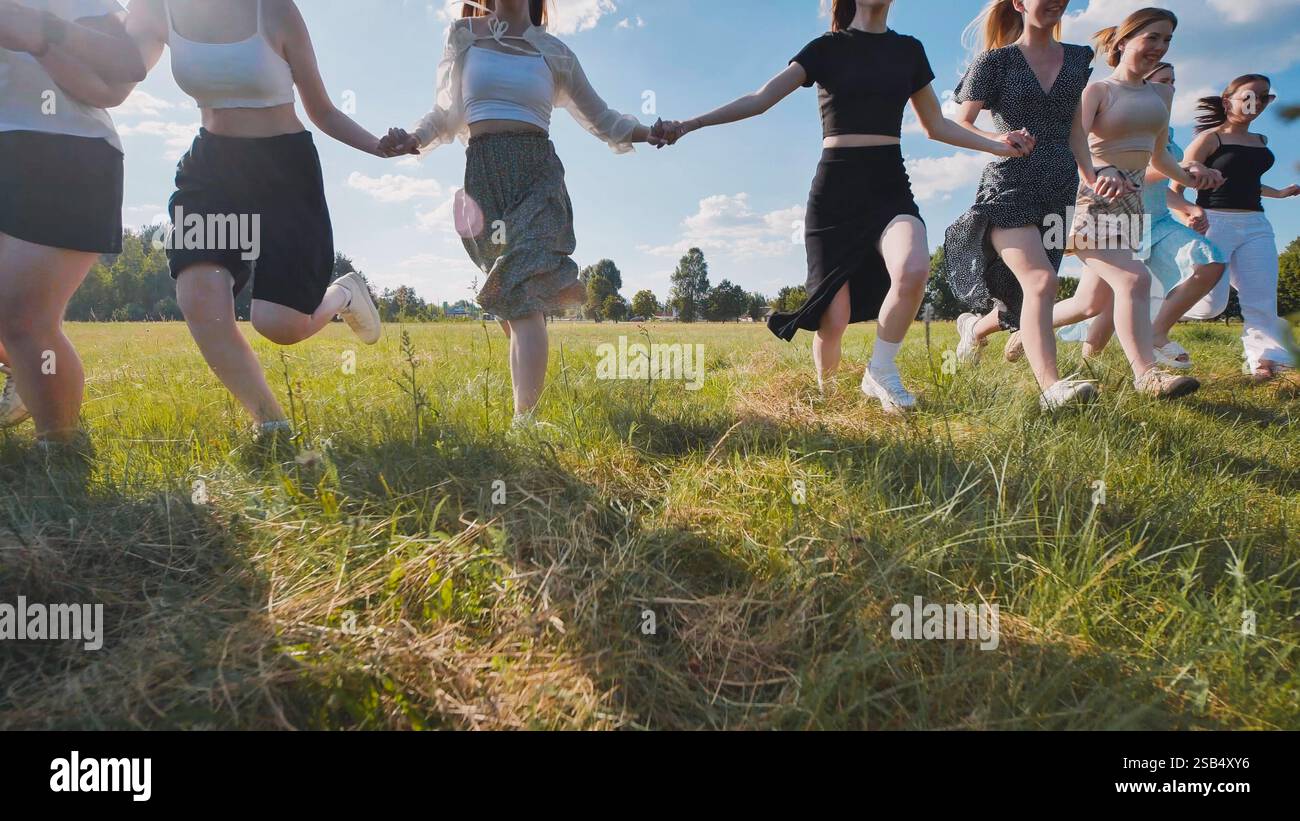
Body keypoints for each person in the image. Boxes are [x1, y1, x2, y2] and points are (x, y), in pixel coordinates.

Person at [657, 0, 1029, 414]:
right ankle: (826, 399)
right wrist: (689, 125)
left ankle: (881, 372)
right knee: (833, 319)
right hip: (834, 193)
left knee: (913, 266)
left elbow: (935, 125)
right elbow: (760, 99)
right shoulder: (825, 48)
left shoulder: (909, 50)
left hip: (888, 184)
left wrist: (997, 145)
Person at [120, 0, 405, 439]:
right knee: (199, 296)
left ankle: (343, 294)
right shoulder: (160, 9)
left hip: (284, 171)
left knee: (279, 325)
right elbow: (121, 70)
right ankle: (271, 423)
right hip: (213, 171)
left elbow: (322, 110)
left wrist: (378, 146)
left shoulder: (274, 11)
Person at [382, 0, 668, 424]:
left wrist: (649, 132)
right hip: (485, 179)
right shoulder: (462, 36)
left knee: (523, 297)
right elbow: (445, 115)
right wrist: (413, 138)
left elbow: (602, 118)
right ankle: (527, 395)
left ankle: (525, 422)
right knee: (514, 299)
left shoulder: (554, 52)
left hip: (538, 177)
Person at [1049, 8, 1218, 400]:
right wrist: (1100, 170)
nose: (1159, 47)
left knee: (1091, 302)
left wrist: (1191, 177)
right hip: (1091, 198)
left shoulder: (1161, 95)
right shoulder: (1098, 91)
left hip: (1131, 206)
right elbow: (1073, 142)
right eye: (1152, 37)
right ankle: (1148, 375)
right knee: (1134, 279)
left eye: (1167, 41)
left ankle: (1026, 330)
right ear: (1123, 41)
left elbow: (1160, 158)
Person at [0, 0, 146, 447]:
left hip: (65, 151)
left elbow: (121, 76)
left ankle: (61, 449)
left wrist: (41, 36)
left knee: (23, 318)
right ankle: (26, 374)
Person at [946, 0, 1104, 410]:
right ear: (1019, 3)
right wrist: (998, 141)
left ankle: (974, 330)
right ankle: (1053, 389)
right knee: (1041, 284)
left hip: (1060, 187)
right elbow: (960, 123)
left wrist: (1092, 178)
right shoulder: (995, 63)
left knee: (1027, 295)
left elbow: (1075, 128)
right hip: (1009, 184)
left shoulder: (1078, 59)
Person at [1181, 73, 1300, 382]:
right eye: (1250, 96)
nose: (1257, 103)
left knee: (1261, 298)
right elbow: (1178, 180)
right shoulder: (1210, 139)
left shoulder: (1261, 141)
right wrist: (1188, 214)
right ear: (1227, 101)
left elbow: (1247, 182)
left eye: (1264, 97)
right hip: (1213, 222)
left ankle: (1267, 363)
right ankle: (1154, 309)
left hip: (1255, 224)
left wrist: (1279, 193)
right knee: (1211, 305)